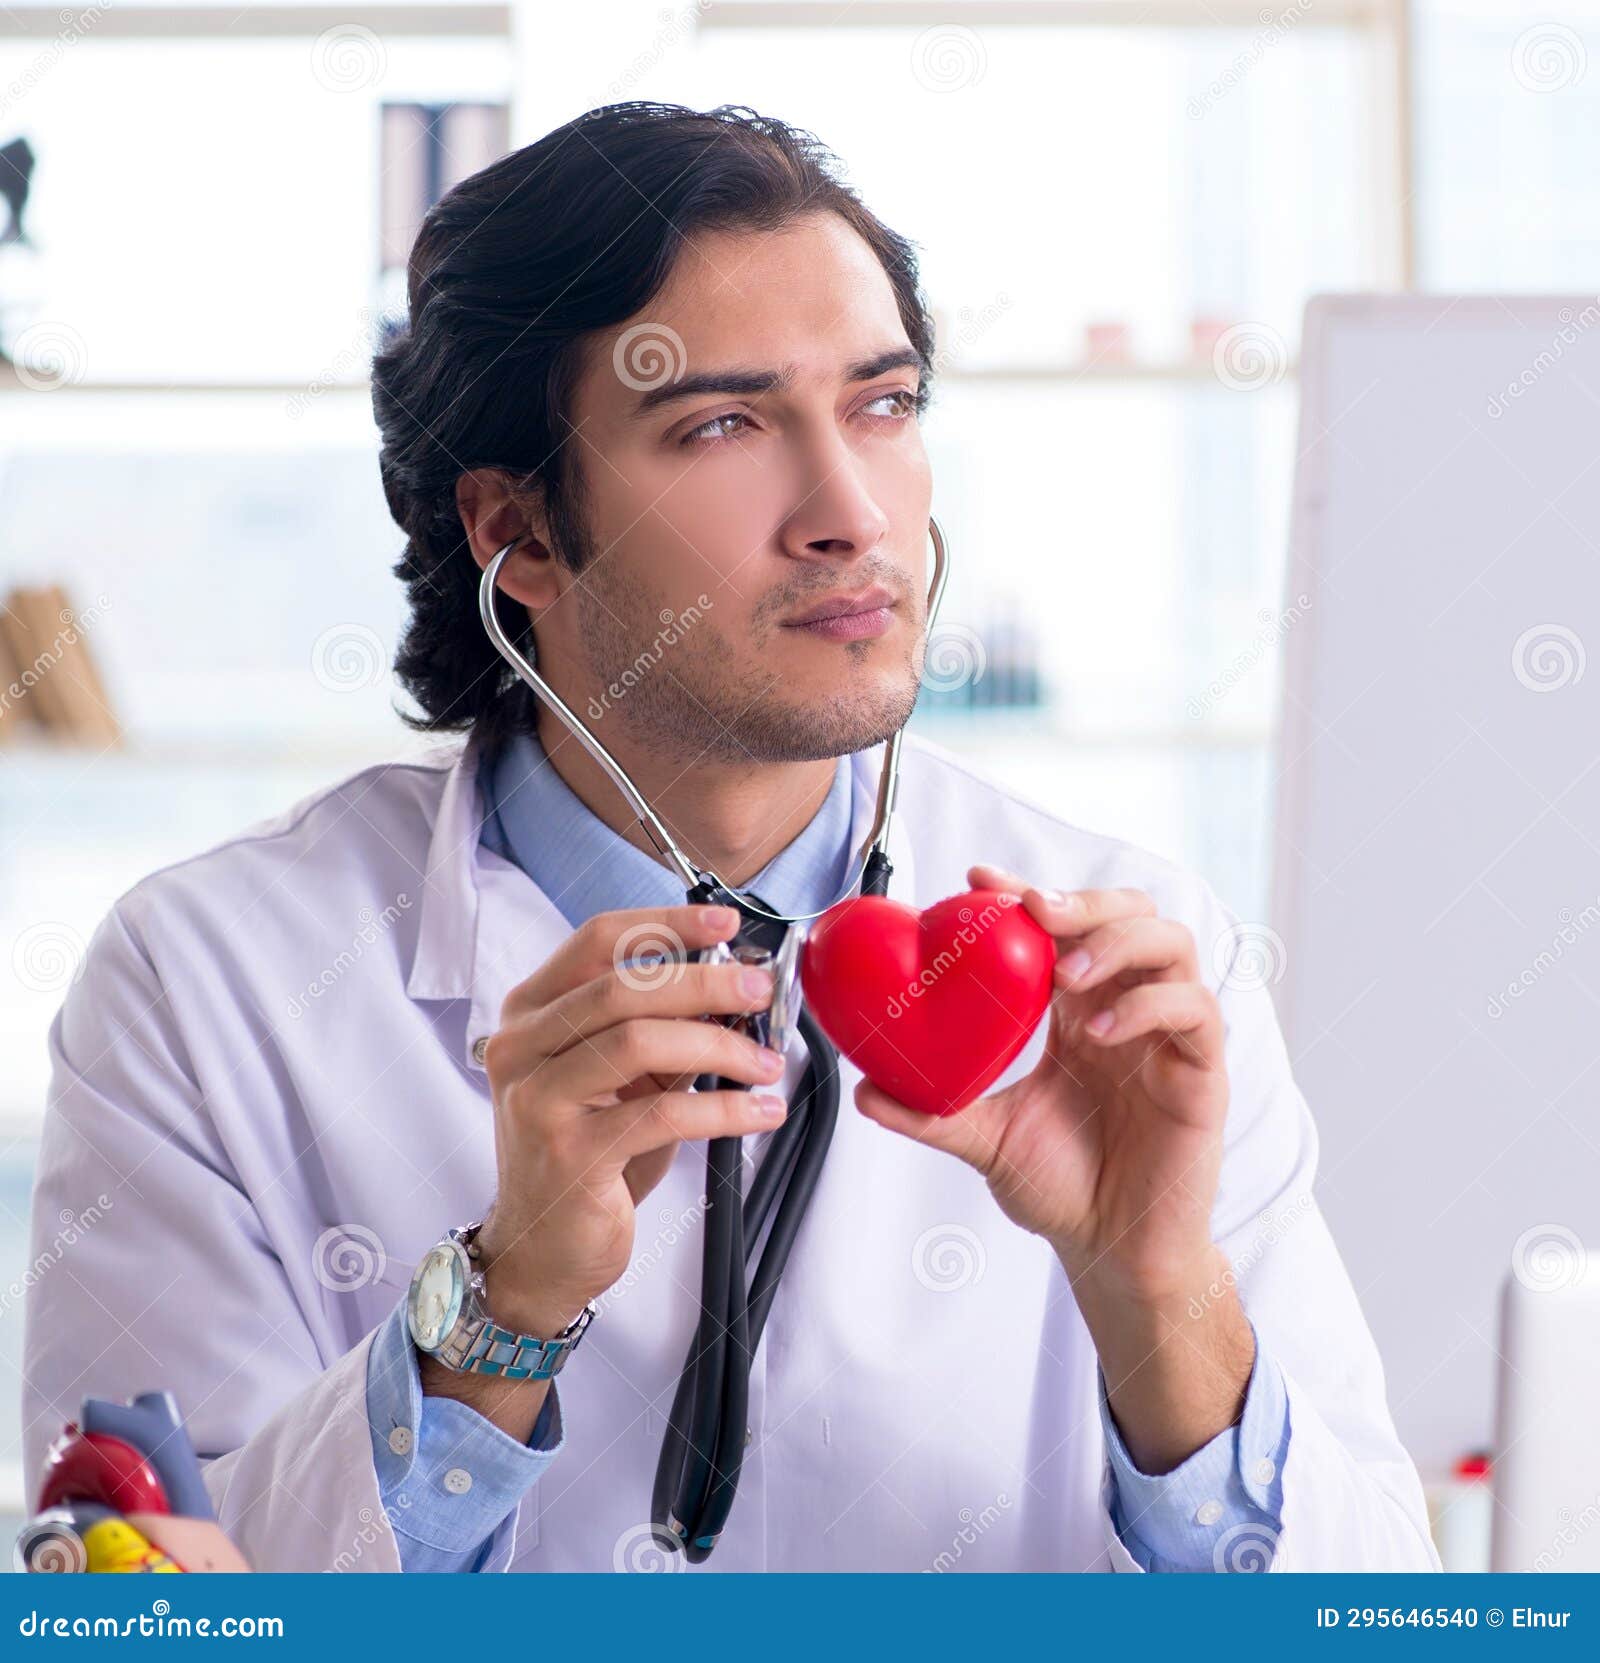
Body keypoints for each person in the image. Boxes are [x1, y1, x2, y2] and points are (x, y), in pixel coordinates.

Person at [21, 102, 1439, 1573]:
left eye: (882, 407)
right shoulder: (210, 984)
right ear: (522, 533)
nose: (848, 513)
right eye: (722, 424)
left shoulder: (1138, 957)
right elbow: (131, 1591)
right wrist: (500, 1313)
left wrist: (1160, 1300)